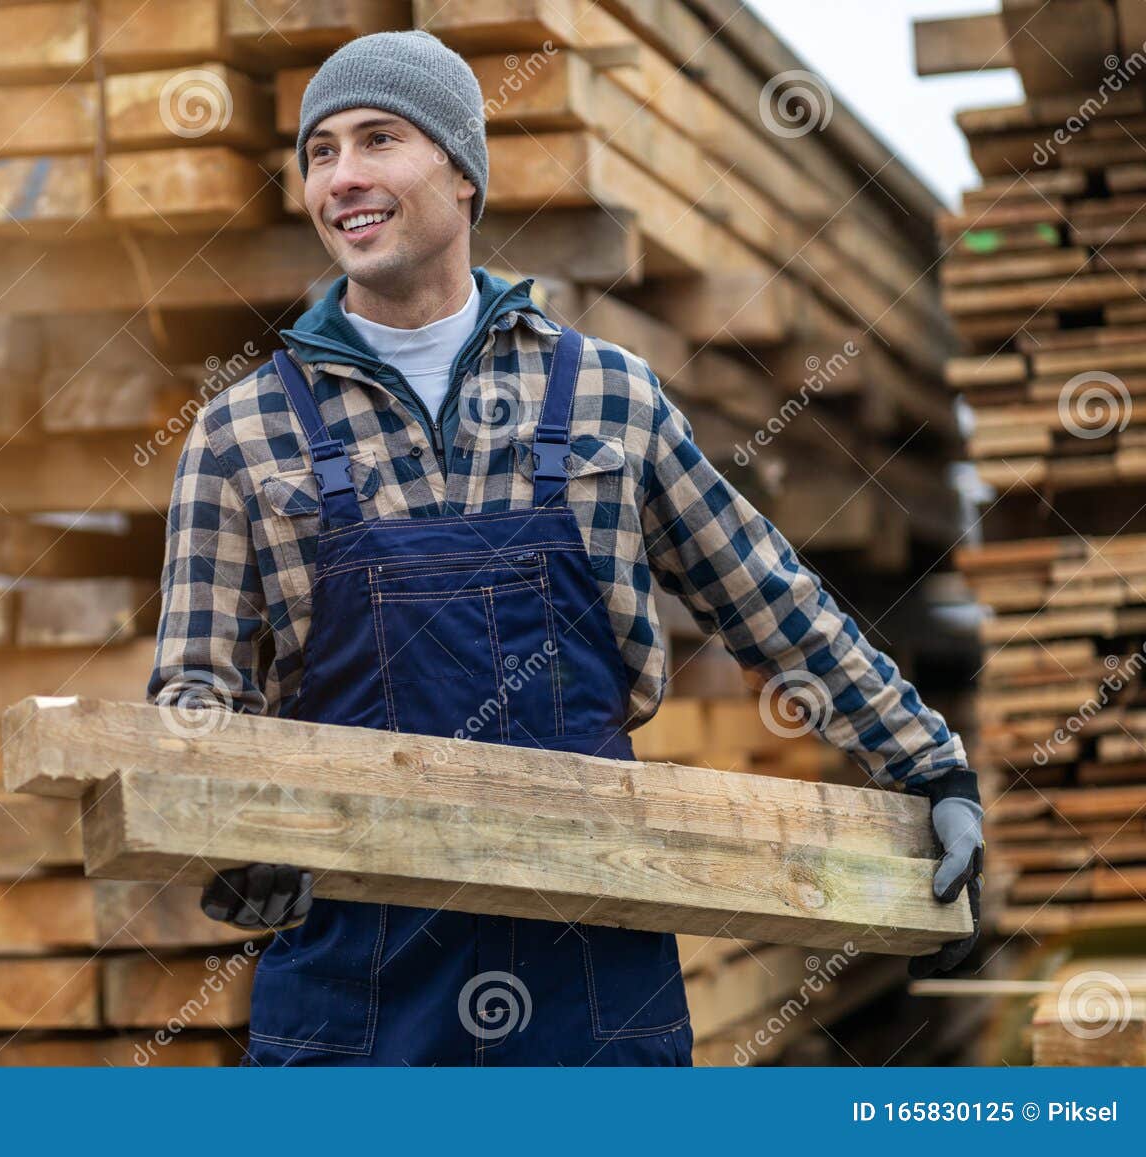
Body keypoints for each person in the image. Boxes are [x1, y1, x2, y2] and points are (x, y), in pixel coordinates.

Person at [147, 29, 982, 1067]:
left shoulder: (601, 394)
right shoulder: (242, 432)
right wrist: (227, 835)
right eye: (319, 153)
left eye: (377, 138)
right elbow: (190, 700)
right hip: (353, 985)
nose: (342, 177)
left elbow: (770, 600)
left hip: (589, 967)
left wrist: (931, 768)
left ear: (461, 171)